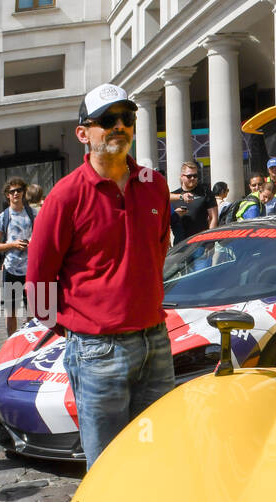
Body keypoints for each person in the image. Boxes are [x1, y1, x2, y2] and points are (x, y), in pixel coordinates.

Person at [26, 83, 174, 469]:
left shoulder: (155, 186)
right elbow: (39, 278)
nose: (120, 126)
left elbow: (159, 251)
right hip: (96, 350)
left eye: (127, 118)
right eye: (108, 120)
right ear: (83, 133)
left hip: (155, 342)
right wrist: (72, 329)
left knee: (156, 455)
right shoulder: (65, 196)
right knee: (109, 466)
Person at [0, 177, 35, 336]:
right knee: (11, 313)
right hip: (11, 270)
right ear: (7, 195)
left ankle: (32, 346)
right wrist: (13, 245)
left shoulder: (32, 214)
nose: (16, 193)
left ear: (24, 192)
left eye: (19, 190)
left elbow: (43, 237)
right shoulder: (3, 217)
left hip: (30, 270)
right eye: (12, 191)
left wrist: (32, 242)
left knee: (33, 310)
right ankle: (12, 344)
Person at [169, 161, 216, 242]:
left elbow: (213, 218)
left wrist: (209, 240)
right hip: (180, 245)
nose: (193, 178)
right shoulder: (174, 196)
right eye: (189, 176)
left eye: (195, 176)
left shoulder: (205, 193)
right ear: (182, 176)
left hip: (200, 243)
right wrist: (175, 215)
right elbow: (165, 223)